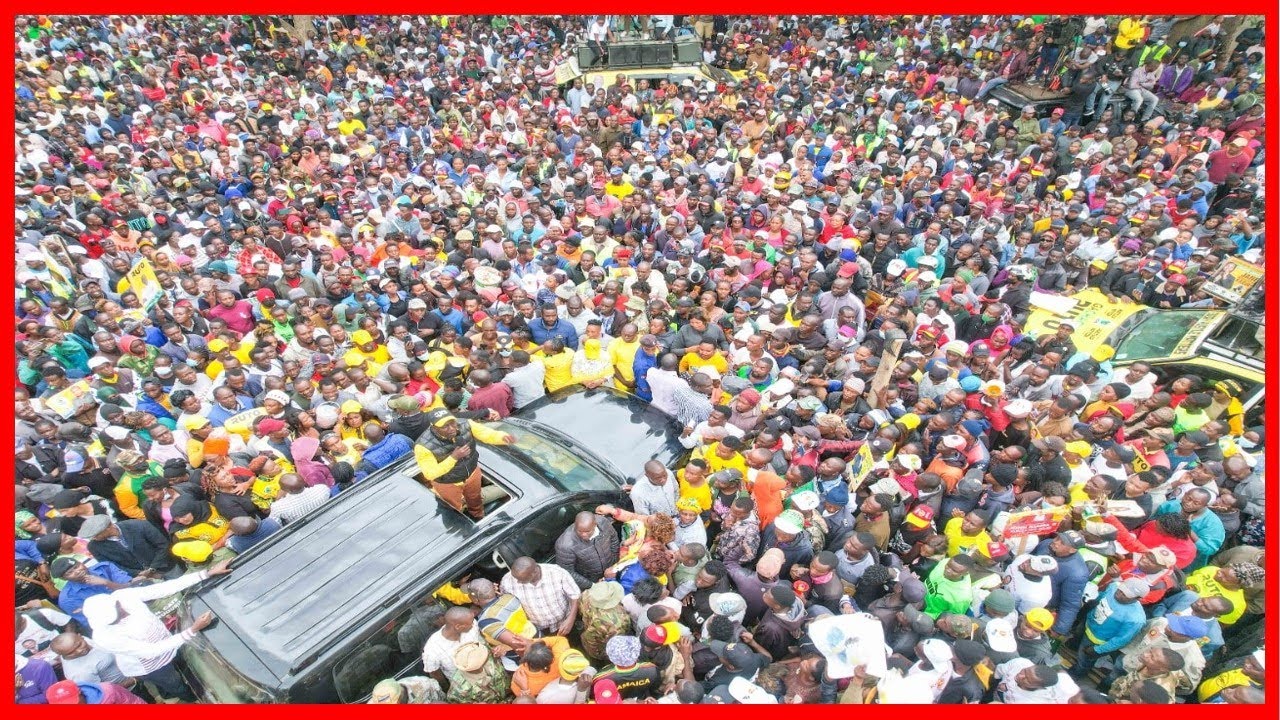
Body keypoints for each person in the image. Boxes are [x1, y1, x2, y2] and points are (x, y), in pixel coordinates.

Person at [80, 559, 234, 701]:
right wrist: (192, 629)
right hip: (152, 666)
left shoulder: (122, 596)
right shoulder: (104, 637)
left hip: (171, 641)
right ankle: (194, 699)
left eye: (119, 608)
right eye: (117, 616)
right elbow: (151, 652)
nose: (123, 611)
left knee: (192, 667)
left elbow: (163, 588)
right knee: (177, 685)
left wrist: (206, 573)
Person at [413, 408, 515, 519]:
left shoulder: (466, 423)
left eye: (452, 423)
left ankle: (478, 516)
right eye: (445, 426)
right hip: (447, 483)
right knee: (454, 508)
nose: (451, 428)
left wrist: (503, 437)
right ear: (434, 427)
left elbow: (487, 434)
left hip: (472, 473)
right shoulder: (422, 446)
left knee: (475, 499)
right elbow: (430, 474)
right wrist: (453, 457)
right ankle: (461, 523)